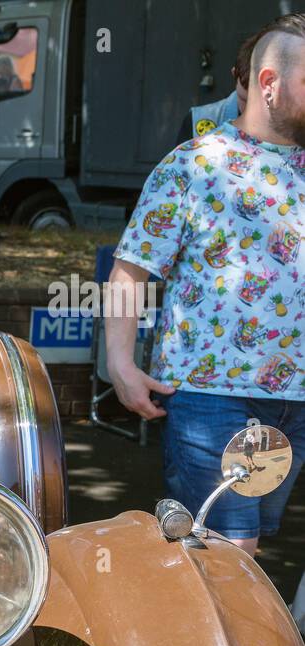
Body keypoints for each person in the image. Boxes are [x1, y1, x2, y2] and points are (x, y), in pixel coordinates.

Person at [105, 14, 305, 558]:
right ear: (269, 84)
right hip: (211, 396)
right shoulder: (194, 165)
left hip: (296, 402)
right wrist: (121, 366)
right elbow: (132, 270)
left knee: (250, 548)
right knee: (227, 546)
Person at [177, 27, 266, 146]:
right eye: (245, 101)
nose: (252, 111)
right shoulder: (198, 119)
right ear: (235, 73)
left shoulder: (291, 125)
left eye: (259, 102)